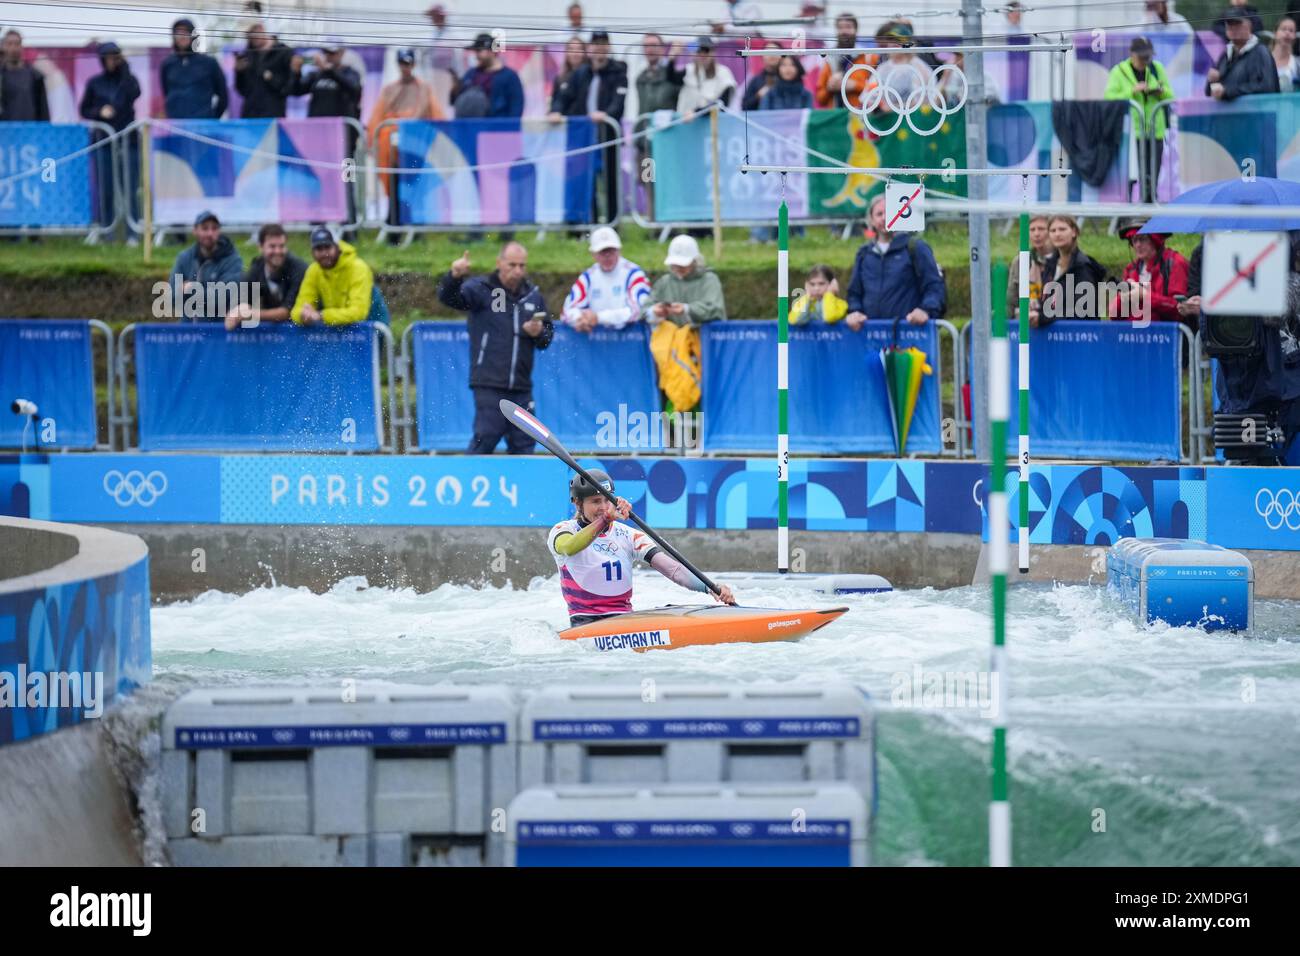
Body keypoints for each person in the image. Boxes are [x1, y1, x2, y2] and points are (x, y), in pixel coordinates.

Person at [549, 469, 736, 628]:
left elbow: (674, 570)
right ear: (577, 503)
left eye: (607, 500)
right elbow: (568, 548)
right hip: (586, 624)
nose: (604, 507)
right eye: (596, 502)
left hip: (624, 620)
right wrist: (606, 519)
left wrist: (709, 587)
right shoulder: (563, 531)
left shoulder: (629, 535)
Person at [436, 243, 553, 454]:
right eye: (512, 265)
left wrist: (538, 333)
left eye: (522, 266)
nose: (518, 271)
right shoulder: (482, 288)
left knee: (525, 443)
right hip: (489, 382)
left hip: (521, 386)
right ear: (499, 263)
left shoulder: (533, 295)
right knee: (487, 435)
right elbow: (449, 298)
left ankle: (521, 487)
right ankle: (468, 483)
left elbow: (546, 338)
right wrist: (453, 277)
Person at [548, 31, 628, 222]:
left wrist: (606, 114)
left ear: (608, 47)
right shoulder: (581, 73)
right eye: (595, 43)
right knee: (585, 183)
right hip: (585, 138)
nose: (599, 47)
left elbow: (619, 103)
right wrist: (556, 110)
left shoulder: (618, 71)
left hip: (608, 135)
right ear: (590, 48)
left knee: (609, 183)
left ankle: (611, 224)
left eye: (603, 43)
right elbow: (563, 96)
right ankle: (588, 224)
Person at [648, 235, 725, 415]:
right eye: (675, 265)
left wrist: (686, 309)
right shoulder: (664, 282)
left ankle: (700, 432)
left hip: (703, 349)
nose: (679, 269)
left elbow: (715, 309)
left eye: (683, 264)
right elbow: (646, 307)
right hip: (671, 353)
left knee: (704, 390)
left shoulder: (710, 280)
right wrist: (656, 311)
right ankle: (674, 432)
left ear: (695, 261)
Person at [845, 195, 946, 330]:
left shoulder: (916, 248)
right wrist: (854, 311)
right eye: (879, 214)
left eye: (889, 212)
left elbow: (934, 286)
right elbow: (854, 293)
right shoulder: (863, 253)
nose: (884, 218)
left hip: (909, 334)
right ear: (871, 220)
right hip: (872, 335)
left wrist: (926, 310)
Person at [369, 49, 442, 226]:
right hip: (393, 148)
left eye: (408, 64)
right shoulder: (390, 90)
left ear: (414, 65)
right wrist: (374, 143)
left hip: (415, 145)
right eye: (403, 64)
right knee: (394, 183)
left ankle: (415, 225)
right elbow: (377, 119)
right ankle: (394, 222)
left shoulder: (424, 89)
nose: (405, 68)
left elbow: (435, 116)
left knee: (414, 185)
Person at [1104, 37, 1175, 204]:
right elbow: (1109, 97)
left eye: (1148, 56)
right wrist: (1132, 90)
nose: (1145, 60)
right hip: (1131, 132)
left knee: (1152, 170)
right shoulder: (1118, 71)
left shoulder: (1157, 68)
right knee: (1131, 172)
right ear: (1131, 54)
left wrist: (1159, 91)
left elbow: (1170, 95)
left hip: (1154, 129)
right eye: (1142, 56)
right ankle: (1127, 205)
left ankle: (1150, 203)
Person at [79, 41, 140, 229]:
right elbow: (84, 109)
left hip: (128, 142)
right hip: (103, 142)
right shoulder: (95, 83)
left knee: (130, 188)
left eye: (116, 56)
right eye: (108, 57)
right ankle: (107, 229)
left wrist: (125, 69)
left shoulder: (128, 80)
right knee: (105, 189)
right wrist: (100, 111)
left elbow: (135, 92)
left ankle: (132, 231)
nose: (112, 60)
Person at [291, 226, 388, 327]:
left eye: (327, 247)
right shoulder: (313, 270)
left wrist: (321, 316)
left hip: (373, 327)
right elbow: (297, 310)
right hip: (340, 327)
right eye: (319, 249)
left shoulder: (358, 268)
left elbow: (358, 312)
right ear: (312, 252)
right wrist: (303, 316)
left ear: (338, 247)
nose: (324, 253)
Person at [633, 34, 685, 218]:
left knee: (669, 181)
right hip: (646, 142)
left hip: (668, 141)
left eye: (654, 45)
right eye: (646, 46)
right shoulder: (640, 77)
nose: (650, 49)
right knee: (649, 180)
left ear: (662, 48)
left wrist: (673, 59)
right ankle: (654, 222)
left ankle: (671, 221)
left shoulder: (671, 74)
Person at [562, 227, 651, 332]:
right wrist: (579, 319)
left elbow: (640, 311)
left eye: (611, 251)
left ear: (619, 251)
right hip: (596, 340)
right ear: (593, 254)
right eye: (602, 252)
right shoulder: (587, 277)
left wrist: (599, 318)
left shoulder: (634, 274)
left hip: (630, 339)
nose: (607, 256)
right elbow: (567, 311)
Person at [1107, 219, 1189, 326]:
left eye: (1142, 239)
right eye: (1134, 240)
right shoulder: (1131, 269)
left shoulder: (1175, 263)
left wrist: (1145, 297)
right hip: (1134, 335)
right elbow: (1114, 315)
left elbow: (1180, 309)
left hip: (1165, 336)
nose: (1137, 245)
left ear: (1155, 240)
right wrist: (1122, 299)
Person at [225, 223, 307, 330]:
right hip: (272, 334)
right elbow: (239, 301)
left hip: (301, 332)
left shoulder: (299, 269)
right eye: (272, 246)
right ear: (260, 247)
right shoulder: (256, 268)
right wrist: (235, 312)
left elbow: (287, 312)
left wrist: (252, 313)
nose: (277, 251)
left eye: (281, 246)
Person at [169, 211, 244, 322]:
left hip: (219, 331)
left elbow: (222, 299)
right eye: (205, 228)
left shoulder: (233, 260)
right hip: (188, 330)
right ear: (195, 231)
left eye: (214, 228)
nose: (210, 233)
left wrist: (191, 289)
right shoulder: (184, 258)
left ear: (219, 231)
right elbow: (172, 297)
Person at [1036, 215, 1107, 325]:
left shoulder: (1084, 266)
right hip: (1051, 335)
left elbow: (1082, 312)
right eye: (1053, 230)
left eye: (1062, 229)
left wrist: (1042, 318)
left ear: (1074, 232)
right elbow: (1048, 303)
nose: (1057, 234)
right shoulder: (1050, 265)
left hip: (1080, 335)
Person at [161, 18, 228, 119]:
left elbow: (223, 95)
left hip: (203, 126)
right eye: (178, 32)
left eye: (186, 32)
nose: (182, 36)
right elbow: (166, 93)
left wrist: (213, 119)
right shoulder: (167, 64)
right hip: (176, 126)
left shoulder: (209, 63)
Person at [1207, 10, 1280, 99]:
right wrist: (1211, 81)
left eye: (1237, 23)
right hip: (1229, 112)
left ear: (1249, 26)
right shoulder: (1225, 54)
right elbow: (1209, 93)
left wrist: (1228, 91)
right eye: (1229, 23)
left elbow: (1268, 87)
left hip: (1257, 111)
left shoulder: (1261, 52)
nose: (1232, 27)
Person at [234, 21, 295, 118]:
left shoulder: (283, 52)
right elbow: (242, 90)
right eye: (247, 34)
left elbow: (289, 88)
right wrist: (239, 72)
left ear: (261, 28)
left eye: (252, 32)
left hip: (273, 117)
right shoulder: (249, 53)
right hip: (250, 116)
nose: (250, 37)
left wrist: (271, 78)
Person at [458, 33, 525, 118]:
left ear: (492, 51)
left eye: (479, 51)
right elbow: (459, 101)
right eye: (475, 52)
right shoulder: (471, 74)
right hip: (474, 128)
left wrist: (508, 129)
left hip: (499, 129)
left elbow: (516, 108)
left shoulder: (510, 77)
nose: (476, 56)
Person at [815, 13, 873, 110]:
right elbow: (820, 98)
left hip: (861, 115)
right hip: (836, 118)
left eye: (848, 27)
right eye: (840, 27)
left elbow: (878, 91)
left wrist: (855, 85)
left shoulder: (868, 57)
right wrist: (829, 88)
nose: (844, 31)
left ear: (856, 30)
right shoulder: (827, 58)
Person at [677, 36, 736, 116]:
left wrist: (696, 112)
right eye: (699, 51)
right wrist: (673, 56)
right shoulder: (687, 70)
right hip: (688, 125)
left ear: (713, 52)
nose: (702, 54)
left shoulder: (723, 72)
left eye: (706, 50)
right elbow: (671, 79)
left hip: (715, 125)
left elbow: (722, 104)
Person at [1007, 215, 1051, 321]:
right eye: (1032, 230)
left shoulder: (1061, 260)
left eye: (1041, 229)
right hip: (1026, 322)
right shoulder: (1020, 261)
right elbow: (1011, 301)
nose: (1036, 234)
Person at [0, 30, 49, 122]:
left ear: (21, 47)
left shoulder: (35, 76)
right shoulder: (1, 76)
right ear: (3, 47)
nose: (13, 48)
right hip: (4, 133)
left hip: (29, 132)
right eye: (9, 44)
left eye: (17, 44)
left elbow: (44, 111)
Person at [549, 36, 587, 114]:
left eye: (579, 49)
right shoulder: (560, 78)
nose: (575, 53)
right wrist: (555, 112)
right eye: (571, 49)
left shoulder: (591, 76)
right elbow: (556, 101)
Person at [741, 40, 783, 111]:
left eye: (776, 51)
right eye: (768, 52)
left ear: (782, 56)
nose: (772, 55)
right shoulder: (756, 80)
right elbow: (744, 107)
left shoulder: (788, 78)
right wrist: (758, 96)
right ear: (762, 56)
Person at [1272, 17, 1300, 91]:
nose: (1287, 33)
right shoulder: (1263, 61)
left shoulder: (1297, 64)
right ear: (1275, 33)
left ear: (1294, 36)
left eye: (1291, 31)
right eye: (1283, 29)